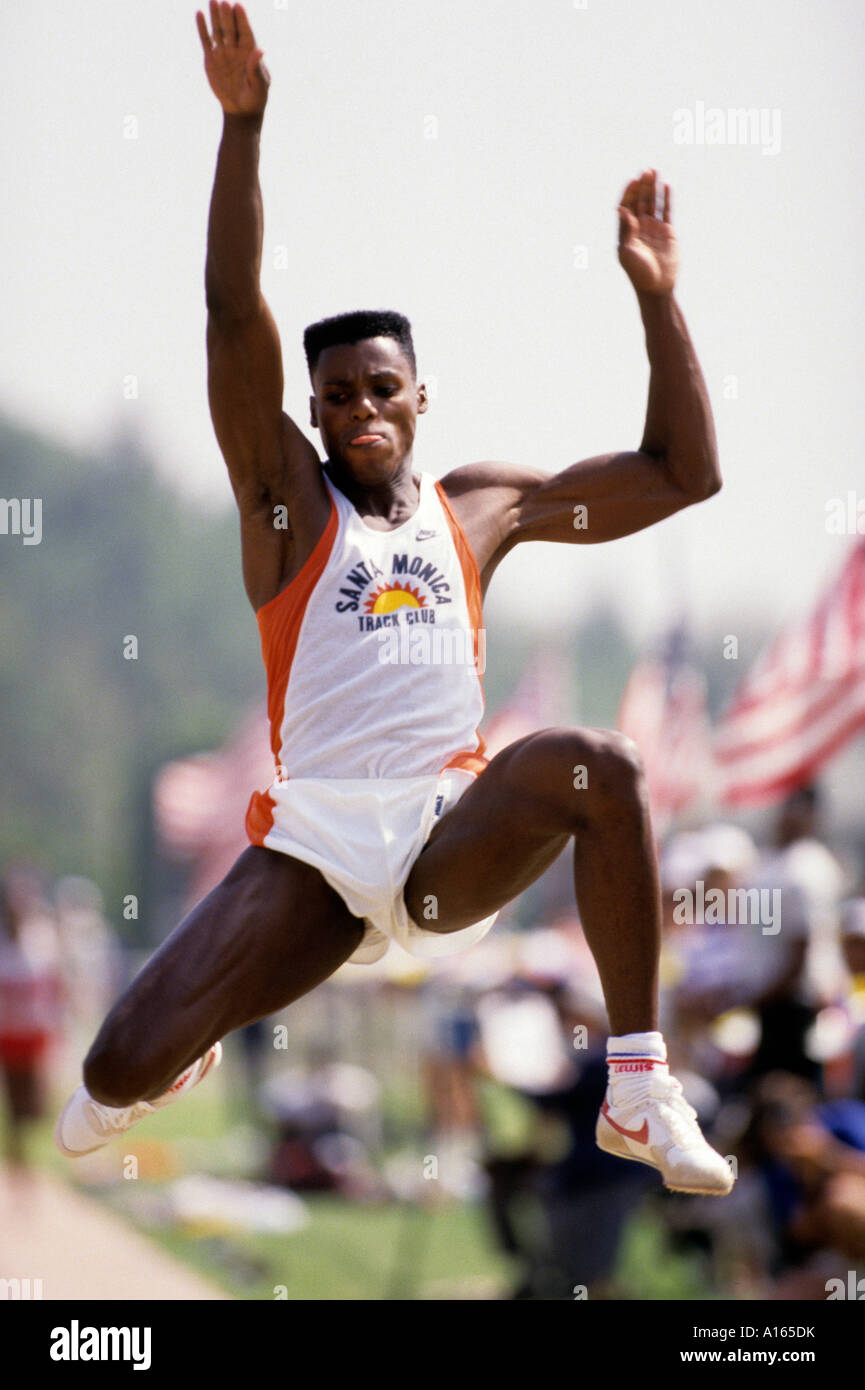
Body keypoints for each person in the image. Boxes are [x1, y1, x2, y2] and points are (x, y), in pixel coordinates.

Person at [56, 1, 732, 1196]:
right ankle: (184, 1043)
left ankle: (639, 1084)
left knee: (600, 763)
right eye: (337, 396)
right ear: (312, 413)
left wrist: (656, 296)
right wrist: (243, 129)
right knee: (101, 1089)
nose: (361, 410)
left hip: (443, 836)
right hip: (315, 850)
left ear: (422, 396)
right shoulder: (286, 507)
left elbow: (685, 475)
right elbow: (228, 315)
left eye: (382, 388)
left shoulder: (484, 508)